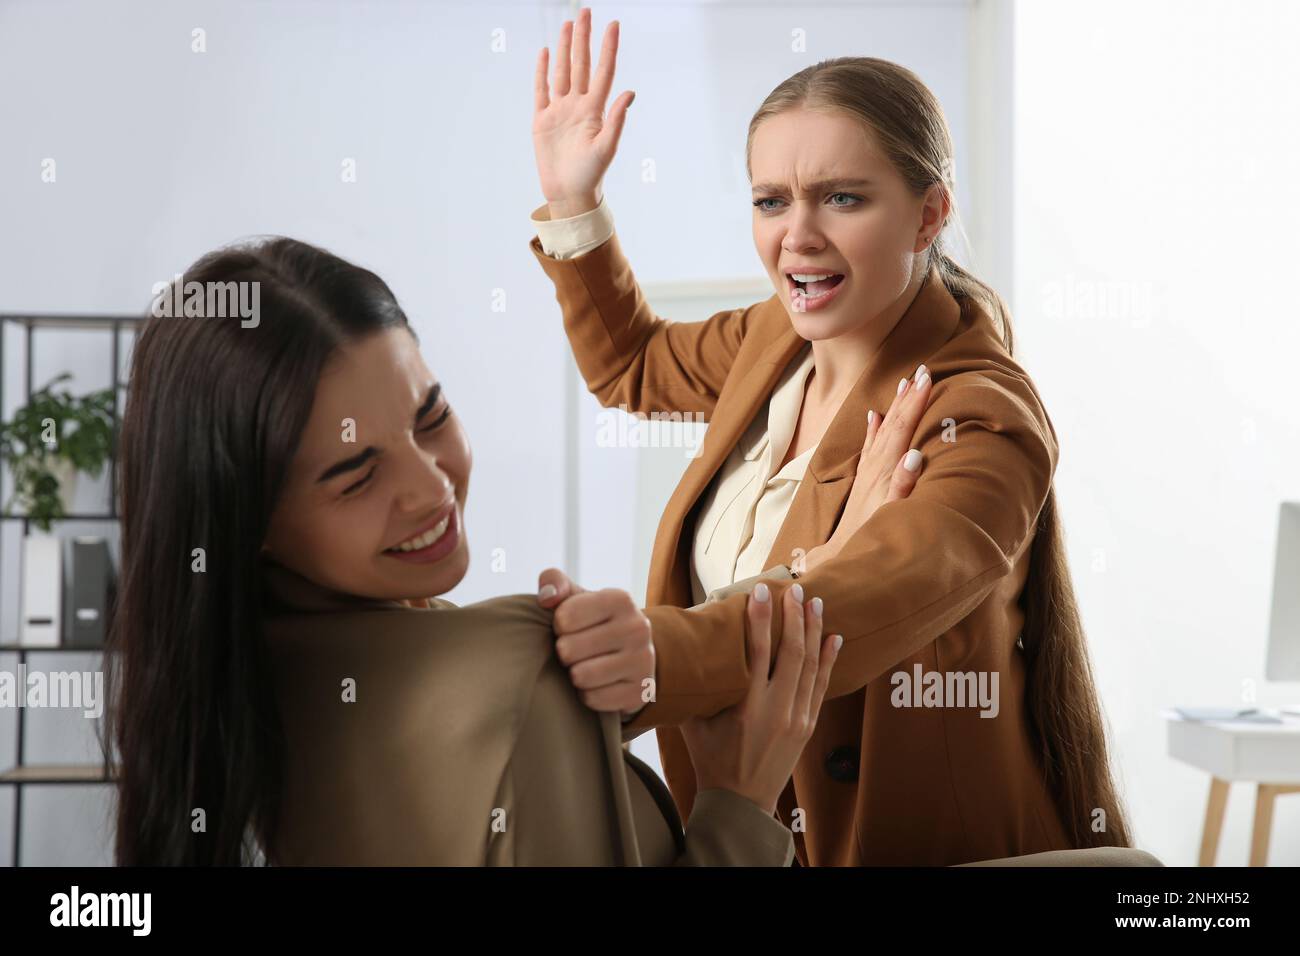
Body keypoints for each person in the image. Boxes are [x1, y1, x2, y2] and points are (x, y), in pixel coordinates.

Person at [528, 9, 1134, 865]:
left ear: (930, 216)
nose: (796, 236)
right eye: (771, 200)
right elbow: (632, 366)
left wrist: (654, 654)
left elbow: (866, 600)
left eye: (841, 198)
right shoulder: (772, 341)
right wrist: (573, 199)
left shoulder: (981, 415)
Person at [102, 236, 923, 865]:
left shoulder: (224, 704)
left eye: (430, 417)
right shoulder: (512, 677)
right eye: (355, 474)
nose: (430, 487)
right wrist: (739, 801)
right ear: (251, 516)